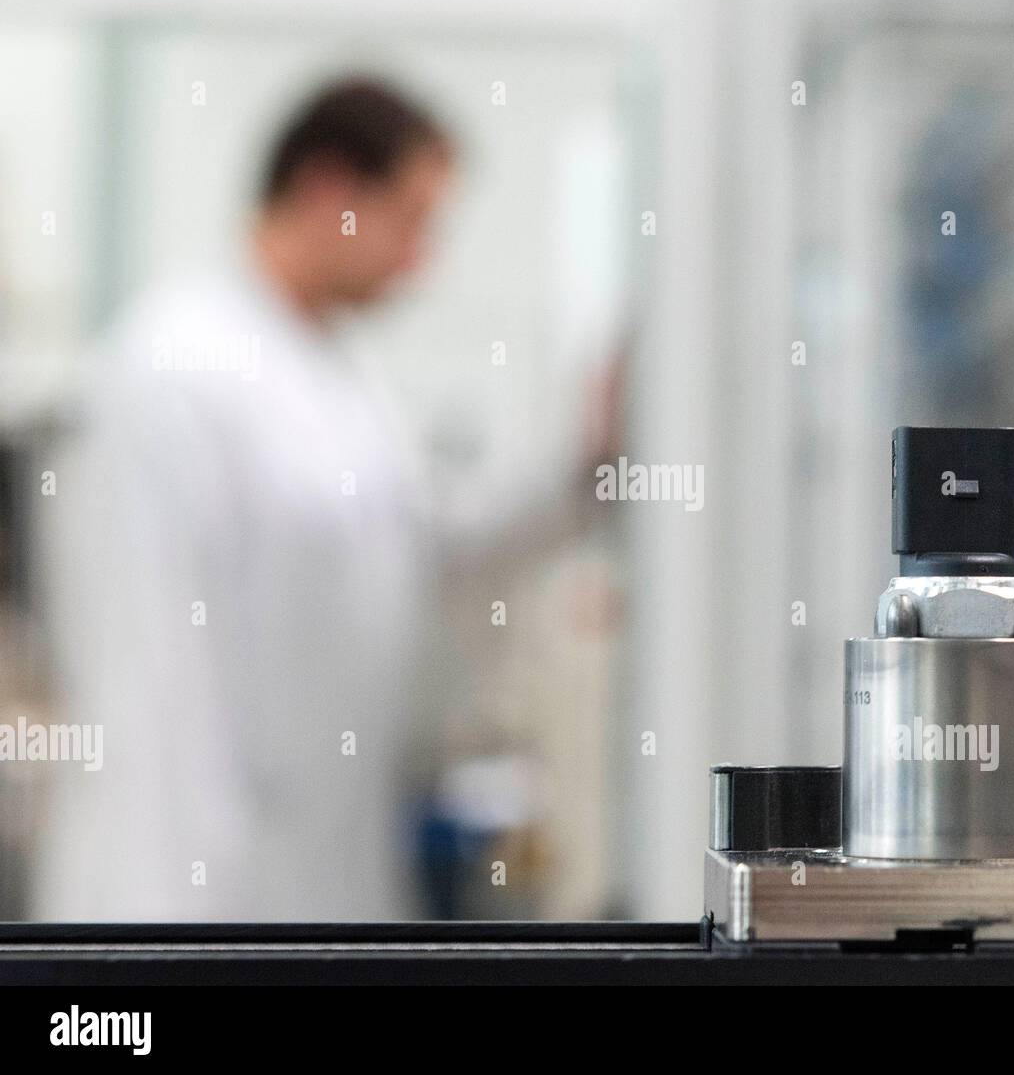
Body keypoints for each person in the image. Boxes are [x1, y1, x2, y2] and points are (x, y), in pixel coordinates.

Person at [32, 78, 596, 921]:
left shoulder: (332, 372)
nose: (421, 261)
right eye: (412, 222)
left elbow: (423, 537)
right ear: (329, 191)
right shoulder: (171, 372)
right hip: (186, 901)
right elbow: (152, 705)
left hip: (322, 885)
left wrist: (588, 467)